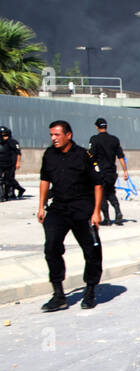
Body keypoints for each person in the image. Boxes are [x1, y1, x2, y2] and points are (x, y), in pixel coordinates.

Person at [37, 120, 103, 312]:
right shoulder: (49, 155)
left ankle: (90, 291)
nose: (53, 139)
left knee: (92, 250)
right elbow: (44, 180)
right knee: (51, 248)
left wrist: (96, 211)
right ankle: (58, 295)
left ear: (68, 135)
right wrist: (41, 206)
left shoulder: (84, 155)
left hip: (83, 209)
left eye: (57, 135)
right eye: (51, 135)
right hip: (58, 208)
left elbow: (98, 184)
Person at [89, 117, 128, 225]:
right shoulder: (114, 139)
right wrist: (125, 171)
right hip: (111, 172)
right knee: (110, 191)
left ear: (97, 127)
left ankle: (106, 218)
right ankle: (118, 211)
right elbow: (120, 156)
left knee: (101, 194)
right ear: (106, 126)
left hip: (100, 172)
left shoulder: (94, 139)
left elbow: (90, 155)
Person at [0, 126, 24, 201]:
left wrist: (18, 163)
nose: (4, 137)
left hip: (10, 164)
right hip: (1, 163)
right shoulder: (2, 143)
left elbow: (18, 153)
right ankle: (3, 195)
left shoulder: (12, 142)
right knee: (1, 180)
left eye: (5, 135)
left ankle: (16, 191)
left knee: (9, 179)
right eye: (2, 135)